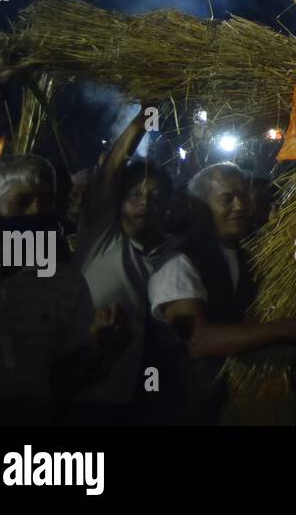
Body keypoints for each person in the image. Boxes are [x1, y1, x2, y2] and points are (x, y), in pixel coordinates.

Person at [0, 155, 129, 423]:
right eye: (21, 202)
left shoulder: (66, 283)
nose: (37, 213)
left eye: (45, 203)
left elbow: (62, 385)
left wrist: (96, 354)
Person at [148, 162, 296, 424]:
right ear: (199, 207)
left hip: (237, 407)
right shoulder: (179, 264)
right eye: (227, 199)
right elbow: (198, 341)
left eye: (243, 197)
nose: (240, 206)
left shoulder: (246, 255)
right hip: (190, 410)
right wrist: (286, 328)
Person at [73, 106, 182, 420]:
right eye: (134, 194)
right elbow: (113, 167)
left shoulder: (174, 254)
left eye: (156, 196)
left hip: (136, 398)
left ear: (168, 206)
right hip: (80, 388)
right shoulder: (100, 236)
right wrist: (146, 112)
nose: (145, 203)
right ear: (117, 200)